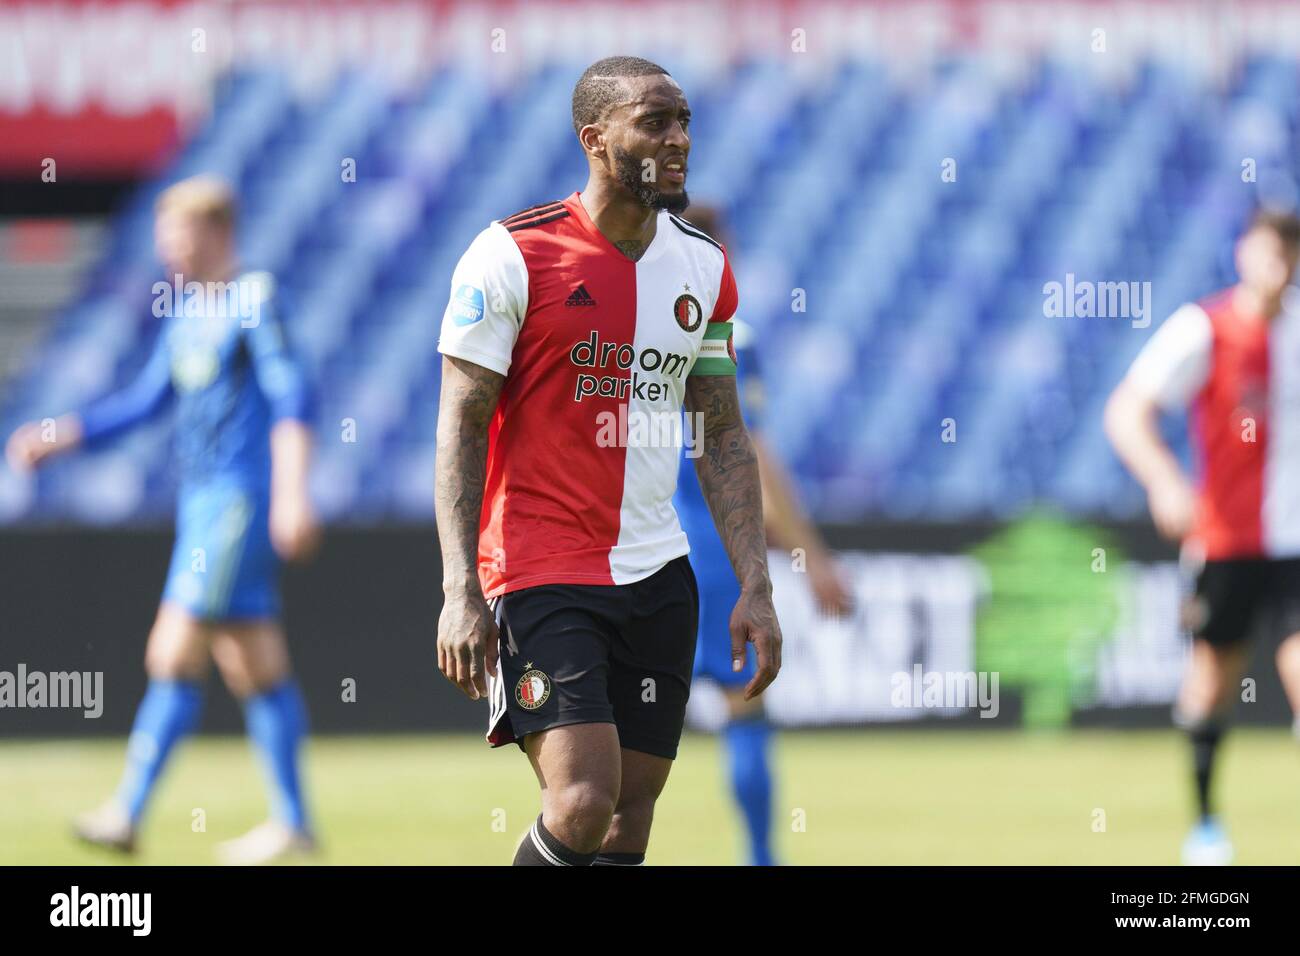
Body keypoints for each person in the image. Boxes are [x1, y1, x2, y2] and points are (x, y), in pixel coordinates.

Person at [434, 56, 782, 866]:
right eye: (655, 123)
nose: (681, 140)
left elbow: (723, 435)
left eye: (685, 121)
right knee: (582, 802)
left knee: (629, 820)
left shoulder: (703, 268)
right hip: (542, 570)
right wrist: (459, 588)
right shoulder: (508, 256)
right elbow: (459, 425)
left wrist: (757, 585)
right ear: (595, 138)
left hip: (659, 575)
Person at [5, 176, 320, 865]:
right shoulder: (188, 314)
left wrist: (294, 493)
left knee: (171, 652)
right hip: (201, 502)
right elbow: (146, 403)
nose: (168, 252)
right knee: (253, 663)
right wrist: (61, 433)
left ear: (215, 233)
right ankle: (294, 823)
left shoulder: (254, 300)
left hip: (238, 502)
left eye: (178, 237)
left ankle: (127, 811)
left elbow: (294, 396)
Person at [1104, 208, 1300, 865]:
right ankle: (1207, 824)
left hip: (1296, 542)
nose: (1283, 268)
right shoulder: (1204, 328)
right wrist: (1164, 481)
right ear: (1245, 254)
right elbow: (1128, 410)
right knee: (1213, 680)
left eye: (1292, 255)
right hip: (1227, 540)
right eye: (1273, 253)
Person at [672, 204, 852, 866]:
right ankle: (761, 858)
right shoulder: (730, 337)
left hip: (629, 542)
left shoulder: (625, 327)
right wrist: (812, 555)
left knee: (619, 719)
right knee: (742, 706)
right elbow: (753, 454)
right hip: (714, 547)